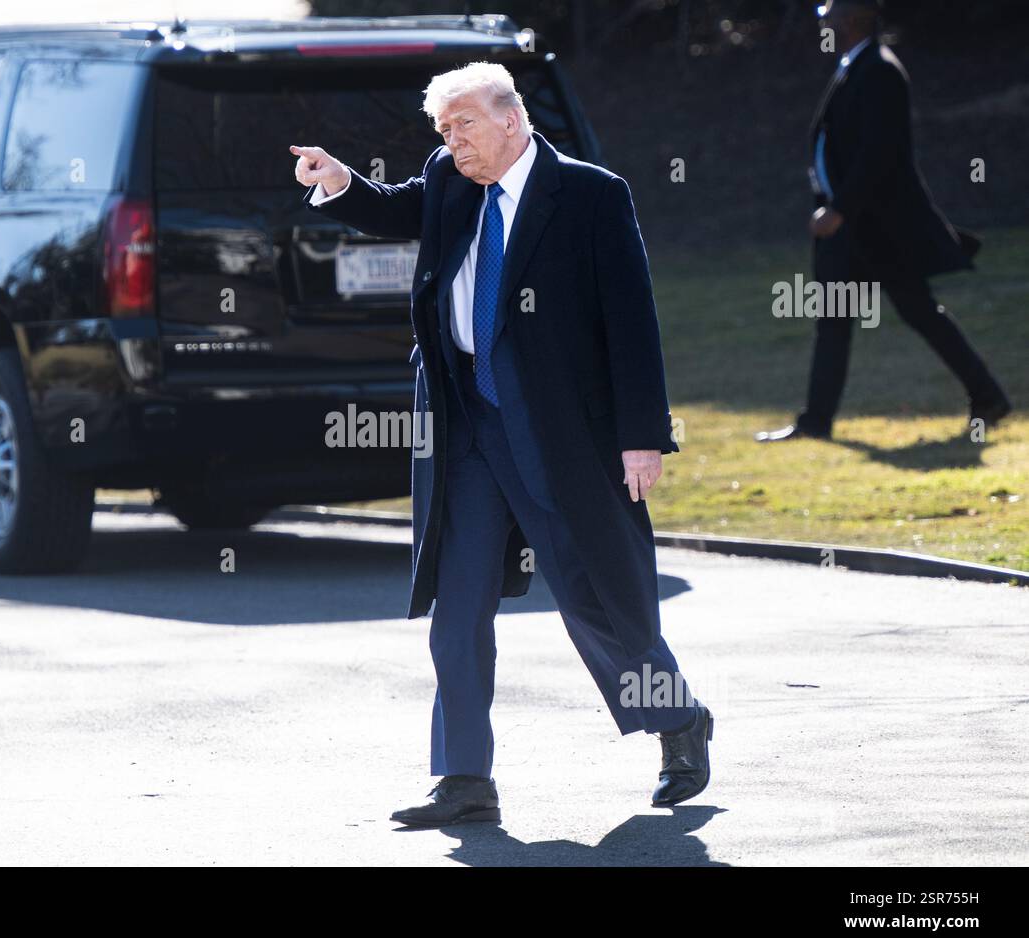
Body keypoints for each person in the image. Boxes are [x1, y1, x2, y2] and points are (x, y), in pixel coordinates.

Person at [290, 62, 712, 827]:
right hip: (466, 426)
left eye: (465, 127)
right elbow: (396, 211)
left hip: (557, 434)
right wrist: (340, 180)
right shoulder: (450, 182)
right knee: (460, 599)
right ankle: (463, 778)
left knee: (591, 594)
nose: (453, 143)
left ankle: (678, 721)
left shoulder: (590, 195)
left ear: (510, 119)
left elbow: (632, 323)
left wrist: (643, 437)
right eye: (444, 131)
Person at [757, 0, 1011, 443]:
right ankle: (816, 421)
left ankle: (988, 396)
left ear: (853, 20)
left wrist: (839, 210)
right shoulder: (855, 66)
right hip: (854, 229)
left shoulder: (881, 71)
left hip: (875, 230)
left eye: (829, 14)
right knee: (837, 321)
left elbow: (881, 154)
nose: (822, 22)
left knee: (920, 314)